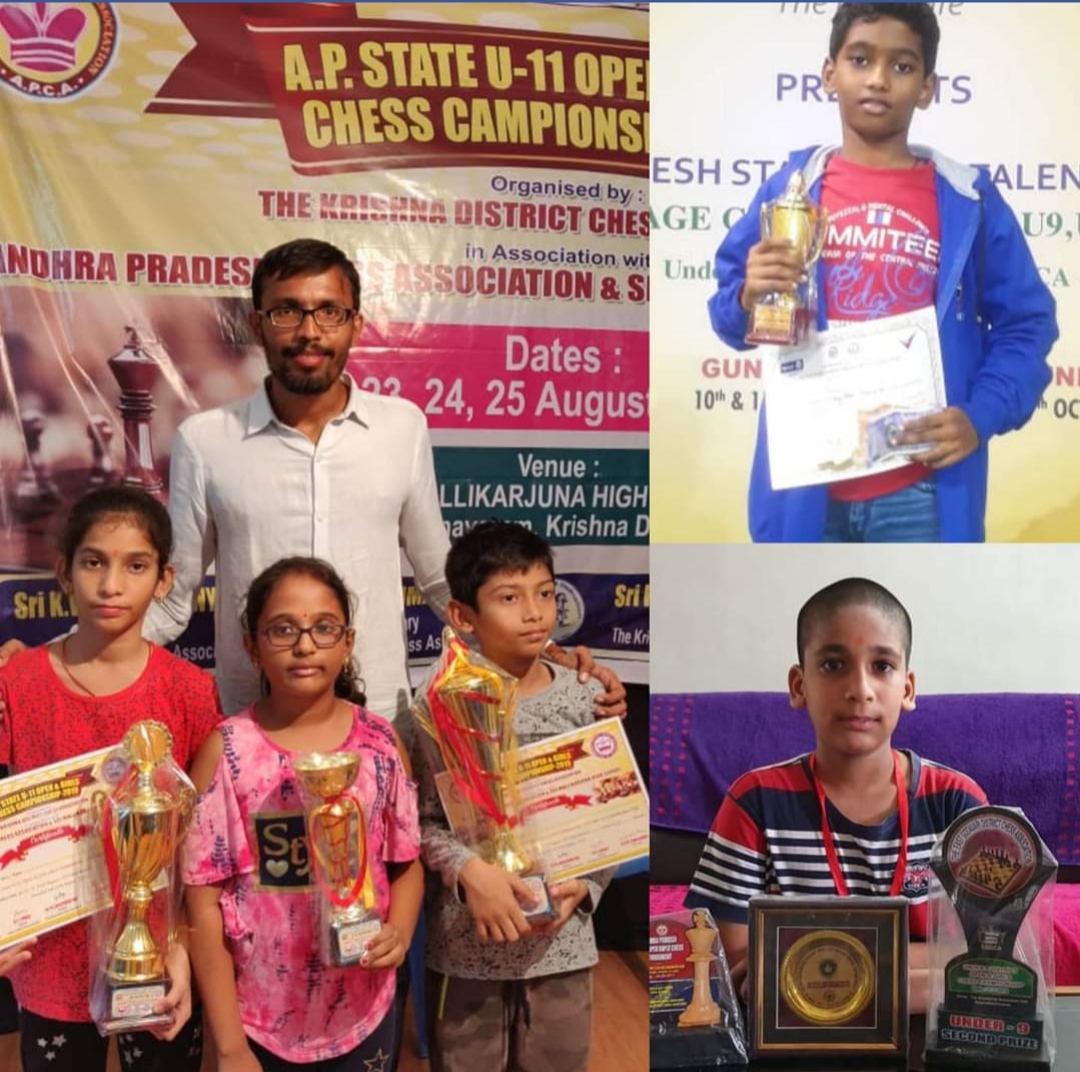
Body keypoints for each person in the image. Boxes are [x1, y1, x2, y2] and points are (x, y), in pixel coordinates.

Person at [135, 237, 625, 722]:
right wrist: (70, 665)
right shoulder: (206, 441)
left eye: (330, 312)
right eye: (288, 312)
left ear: (356, 325)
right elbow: (173, 603)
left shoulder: (401, 427)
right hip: (256, 725)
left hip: (381, 720)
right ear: (256, 324)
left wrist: (545, 657)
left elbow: (441, 583)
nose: (310, 331)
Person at [708, 2, 1057, 543]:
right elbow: (728, 317)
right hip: (807, 486)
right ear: (830, 73)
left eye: (901, 66)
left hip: (921, 487)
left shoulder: (970, 199)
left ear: (927, 87)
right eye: (860, 59)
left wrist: (980, 415)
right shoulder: (788, 189)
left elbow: (1027, 326)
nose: (877, 79)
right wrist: (749, 296)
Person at [684, 577, 987, 1012]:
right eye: (832, 665)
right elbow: (738, 970)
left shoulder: (957, 803)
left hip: (929, 1040)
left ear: (908, 688)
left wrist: (812, 966)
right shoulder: (754, 801)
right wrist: (921, 972)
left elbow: (987, 962)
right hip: (796, 1045)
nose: (859, 689)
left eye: (882, 666)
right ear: (798, 685)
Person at [0, 486, 221, 1072]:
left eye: (136, 565)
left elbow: (200, 843)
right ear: (64, 573)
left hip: (160, 950)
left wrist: (181, 942)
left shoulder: (190, 691)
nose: (111, 584)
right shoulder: (16, 683)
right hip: (47, 953)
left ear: (165, 579)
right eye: (94, 561)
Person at [183, 556, 423, 1071]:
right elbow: (202, 904)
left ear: (348, 642)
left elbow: (406, 864)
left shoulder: (380, 744)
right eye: (283, 629)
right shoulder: (226, 752)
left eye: (323, 628)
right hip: (259, 1022)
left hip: (365, 1010)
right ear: (251, 646)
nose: (305, 644)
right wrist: (228, 1045)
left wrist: (400, 930)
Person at [410, 521, 616, 1072]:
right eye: (509, 597)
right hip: (466, 948)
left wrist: (587, 887)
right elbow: (424, 821)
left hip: (562, 946)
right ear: (462, 616)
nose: (534, 612)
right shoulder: (439, 704)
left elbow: (612, 814)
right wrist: (470, 873)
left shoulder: (586, 697)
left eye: (545, 593)